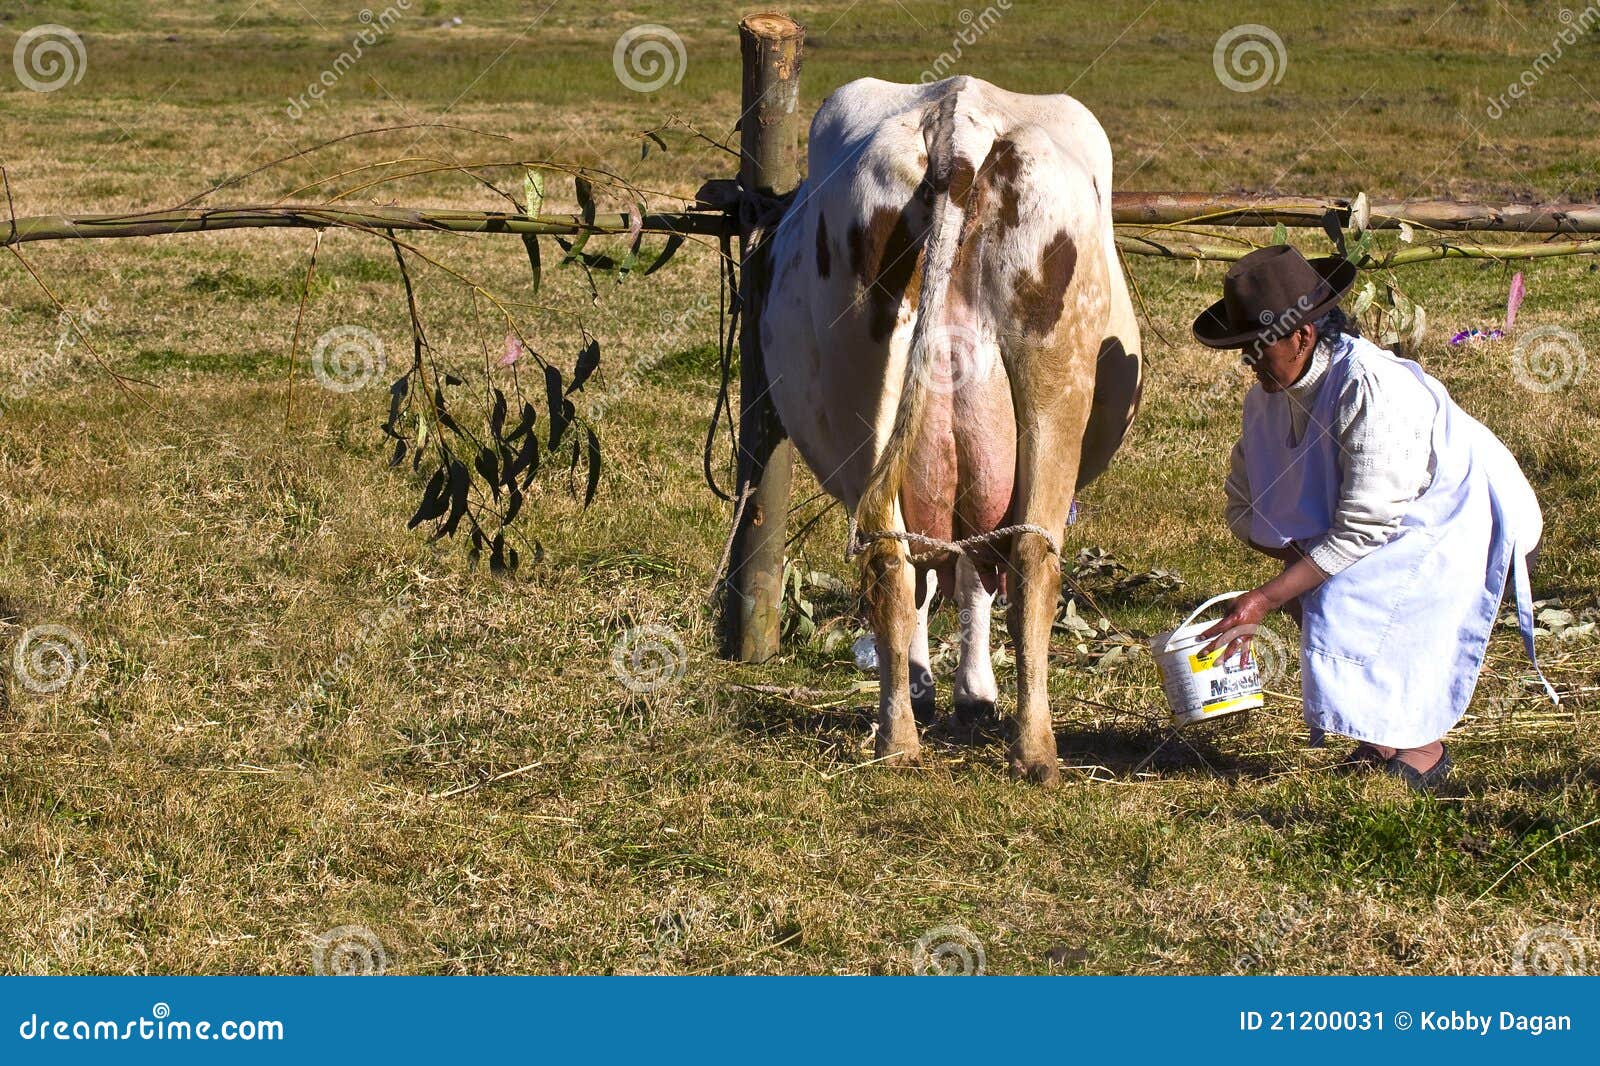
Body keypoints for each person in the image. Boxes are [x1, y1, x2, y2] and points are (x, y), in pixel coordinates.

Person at [1190, 245, 1554, 790]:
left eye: (1259, 348)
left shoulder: (1372, 388)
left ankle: (1418, 745)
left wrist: (1270, 596)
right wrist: (1295, 582)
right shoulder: (1267, 399)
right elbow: (1247, 506)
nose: (1252, 363)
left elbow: (1366, 526)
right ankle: (1378, 733)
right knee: (1321, 586)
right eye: (1245, 352)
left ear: (1303, 336)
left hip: (1458, 514)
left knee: (1347, 592)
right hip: (1382, 520)